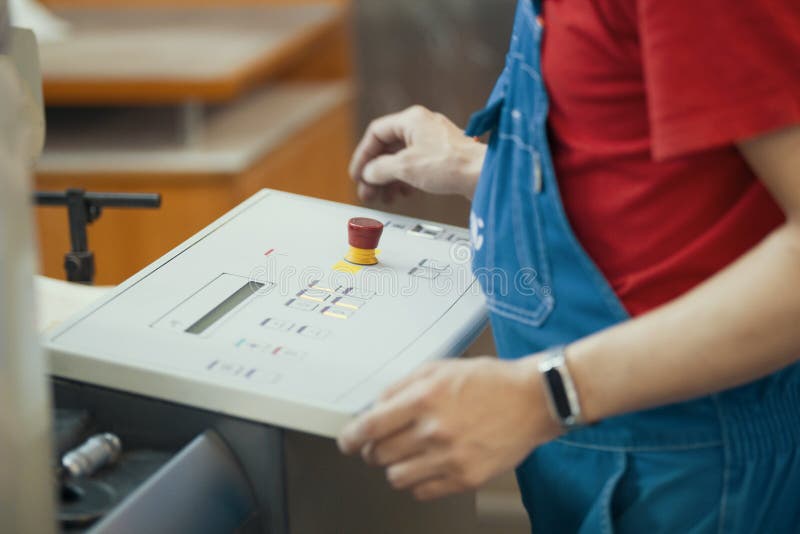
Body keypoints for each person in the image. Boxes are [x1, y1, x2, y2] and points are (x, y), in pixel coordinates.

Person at [337, 0, 800, 532]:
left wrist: (545, 395)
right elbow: (650, 173)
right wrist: (483, 169)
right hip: (583, 445)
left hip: (692, 468)